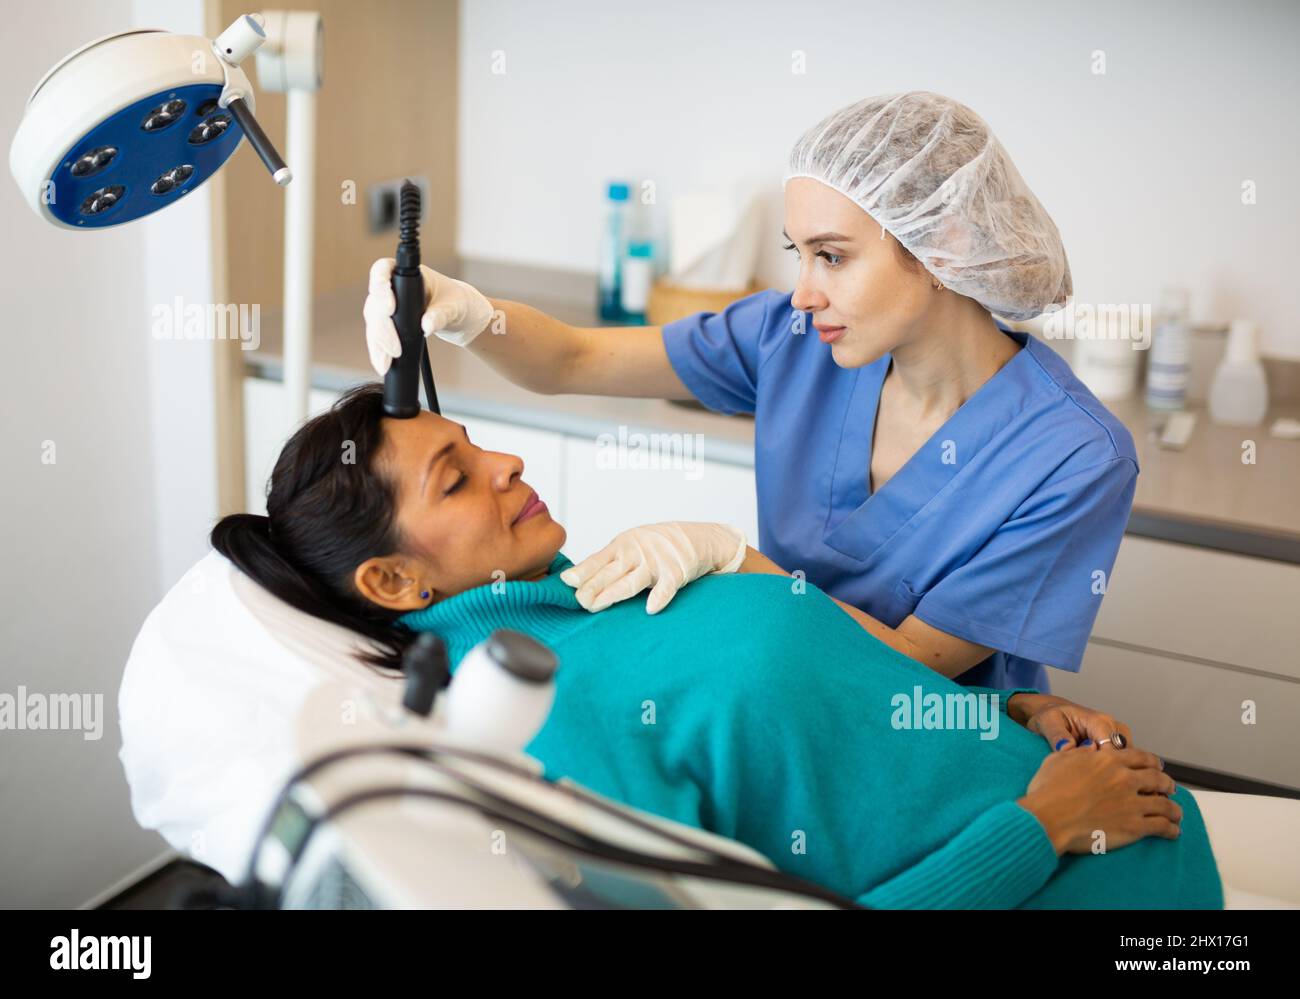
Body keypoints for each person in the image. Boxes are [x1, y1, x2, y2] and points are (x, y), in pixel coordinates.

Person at [210, 386, 1228, 909]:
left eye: (476, 443)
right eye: (455, 476)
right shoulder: (538, 716)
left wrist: (1008, 714)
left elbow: (824, 712)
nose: (505, 459)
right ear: (394, 583)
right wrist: (1038, 828)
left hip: (1106, 809)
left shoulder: (595, 587)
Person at [361, 91, 1137, 696]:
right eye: (798, 254)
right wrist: (470, 315)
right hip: (774, 687)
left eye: (832, 257)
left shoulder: (1071, 456)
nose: (801, 293)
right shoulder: (792, 341)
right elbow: (573, 358)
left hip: (927, 741)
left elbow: (914, 667)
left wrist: (739, 561)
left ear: (945, 248)